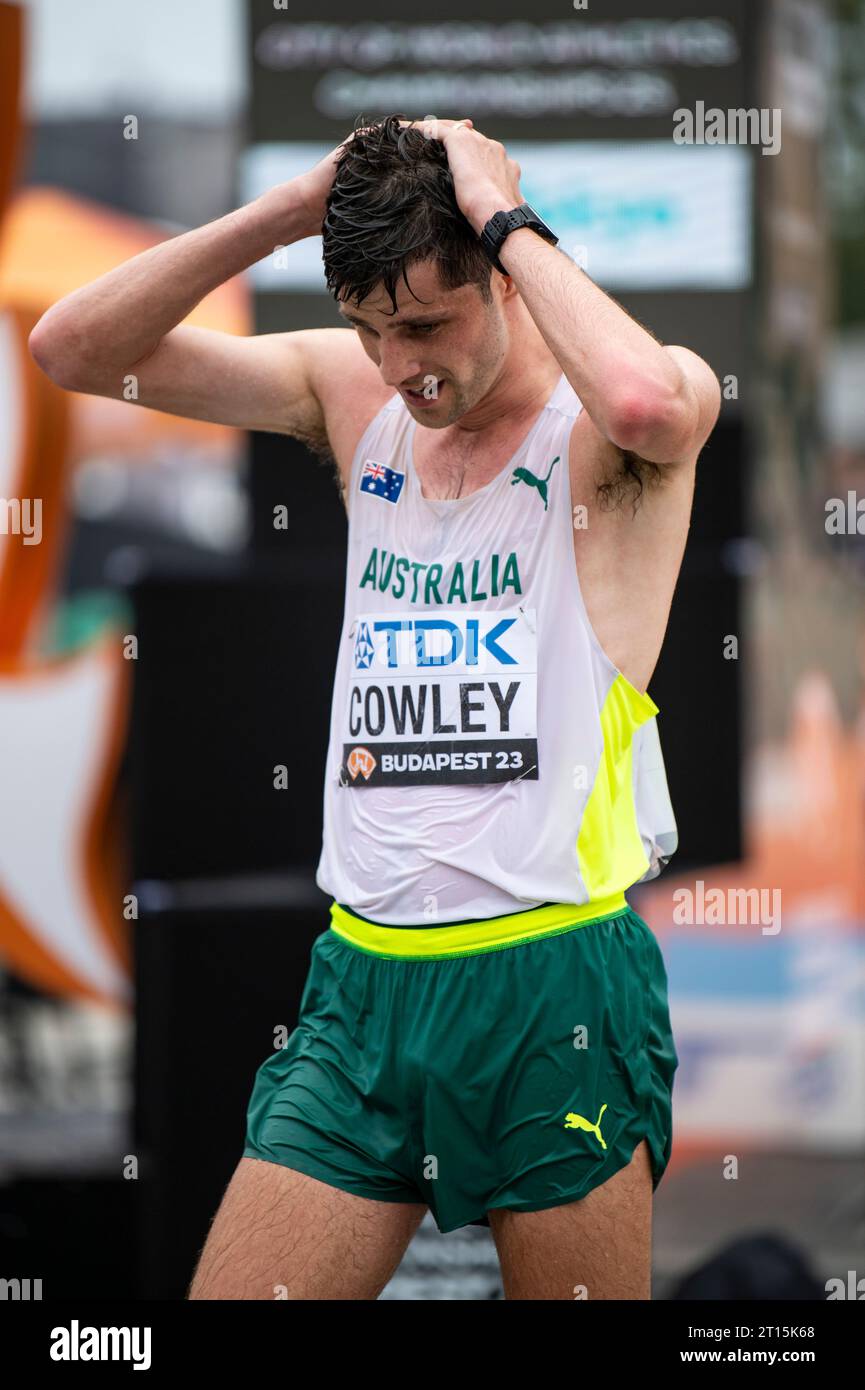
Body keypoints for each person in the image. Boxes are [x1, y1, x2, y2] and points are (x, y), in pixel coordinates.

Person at [30, 114, 721, 1300]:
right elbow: (72, 347)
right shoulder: (356, 395)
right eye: (369, 327)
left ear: (504, 278)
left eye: (425, 324)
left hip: (550, 981)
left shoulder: (612, 423)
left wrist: (504, 216)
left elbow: (654, 407)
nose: (404, 366)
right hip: (360, 987)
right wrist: (289, 211)